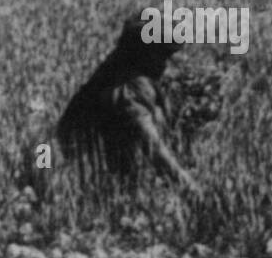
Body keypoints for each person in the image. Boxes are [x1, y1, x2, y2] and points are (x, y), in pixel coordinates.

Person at [56, 12, 198, 193]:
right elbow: (153, 146)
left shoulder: (118, 64)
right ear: (143, 54)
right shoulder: (128, 89)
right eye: (162, 55)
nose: (166, 64)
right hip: (85, 166)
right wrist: (191, 187)